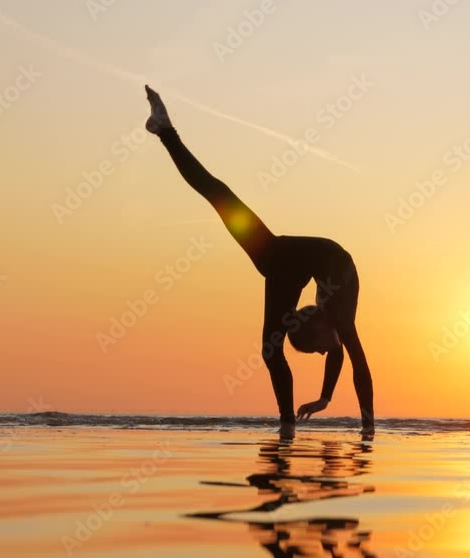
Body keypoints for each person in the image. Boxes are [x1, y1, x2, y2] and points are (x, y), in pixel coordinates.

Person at [143, 85, 374, 438]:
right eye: (316, 350)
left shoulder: (335, 317)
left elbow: (339, 353)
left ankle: (165, 130)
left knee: (218, 195)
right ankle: (287, 424)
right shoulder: (339, 316)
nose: (322, 354)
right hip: (285, 261)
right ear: (318, 329)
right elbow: (352, 360)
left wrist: (326, 398)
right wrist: (368, 430)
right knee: (218, 196)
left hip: (281, 258)